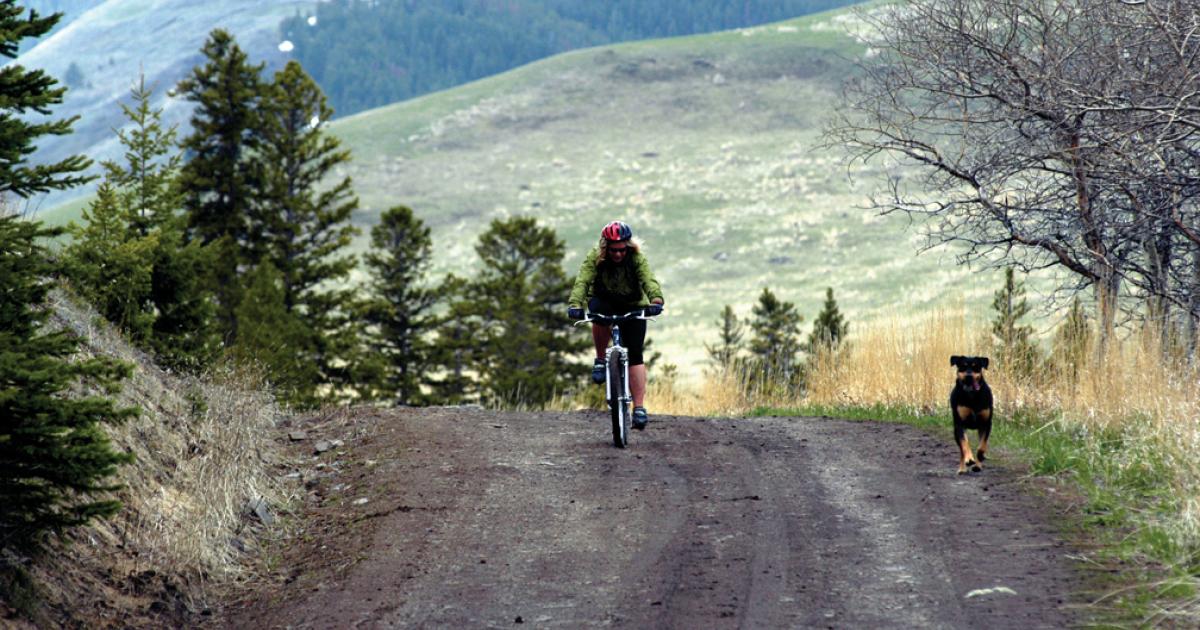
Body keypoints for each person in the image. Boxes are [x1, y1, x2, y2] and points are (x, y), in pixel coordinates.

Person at [567, 220, 665, 429]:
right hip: (605, 302)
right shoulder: (595, 257)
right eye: (613, 250)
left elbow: (648, 279)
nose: (618, 254)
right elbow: (583, 281)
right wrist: (575, 304)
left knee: (636, 354)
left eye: (621, 250)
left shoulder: (637, 258)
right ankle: (601, 359)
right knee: (598, 313)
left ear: (628, 246)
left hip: (632, 305)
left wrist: (656, 300)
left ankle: (638, 407)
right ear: (605, 248)